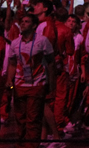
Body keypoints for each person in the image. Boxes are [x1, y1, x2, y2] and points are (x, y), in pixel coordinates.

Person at [6, 12, 56, 148]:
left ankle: (31, 145)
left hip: (37, 84)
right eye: (22, 21)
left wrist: (51, 84)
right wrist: (9, 80)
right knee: (20, 118)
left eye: (26, 21)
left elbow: (51, 63)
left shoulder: (42, 41)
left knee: (33, 119)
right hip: (19, 85)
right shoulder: (15, 43)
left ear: (34, 26)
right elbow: (12, 63)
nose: (23, 24)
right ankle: (21, 144)